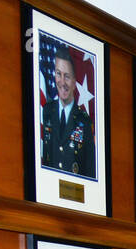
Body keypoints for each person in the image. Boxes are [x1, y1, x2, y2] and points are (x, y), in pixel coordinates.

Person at [41, 49, 95, 178]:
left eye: (67, 76)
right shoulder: (47, 111)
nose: (62, 82)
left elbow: (90, 168)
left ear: (74, 81)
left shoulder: (84, 120)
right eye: (58, 74)